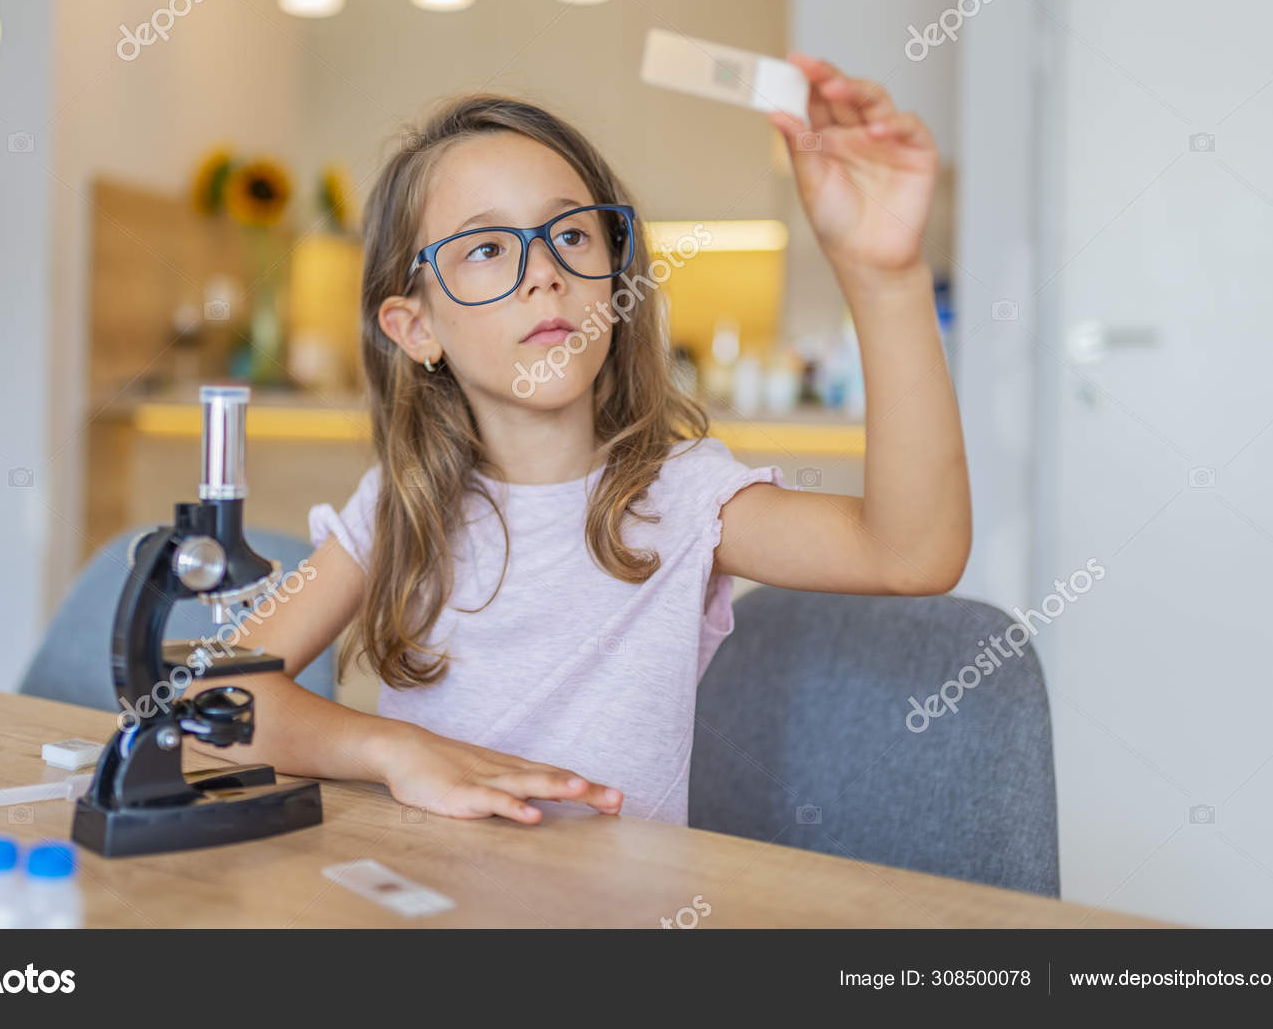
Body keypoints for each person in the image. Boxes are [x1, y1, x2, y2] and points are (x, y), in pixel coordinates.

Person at [206, 54, 971, 827]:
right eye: (486, 248)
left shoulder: (684, 497)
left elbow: (913, 554)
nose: (544, 271)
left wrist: (888, 276)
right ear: (416, 328)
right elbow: (212, 702)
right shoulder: (396, 509)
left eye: (570, 233)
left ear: (616, 274)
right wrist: (394, 751)